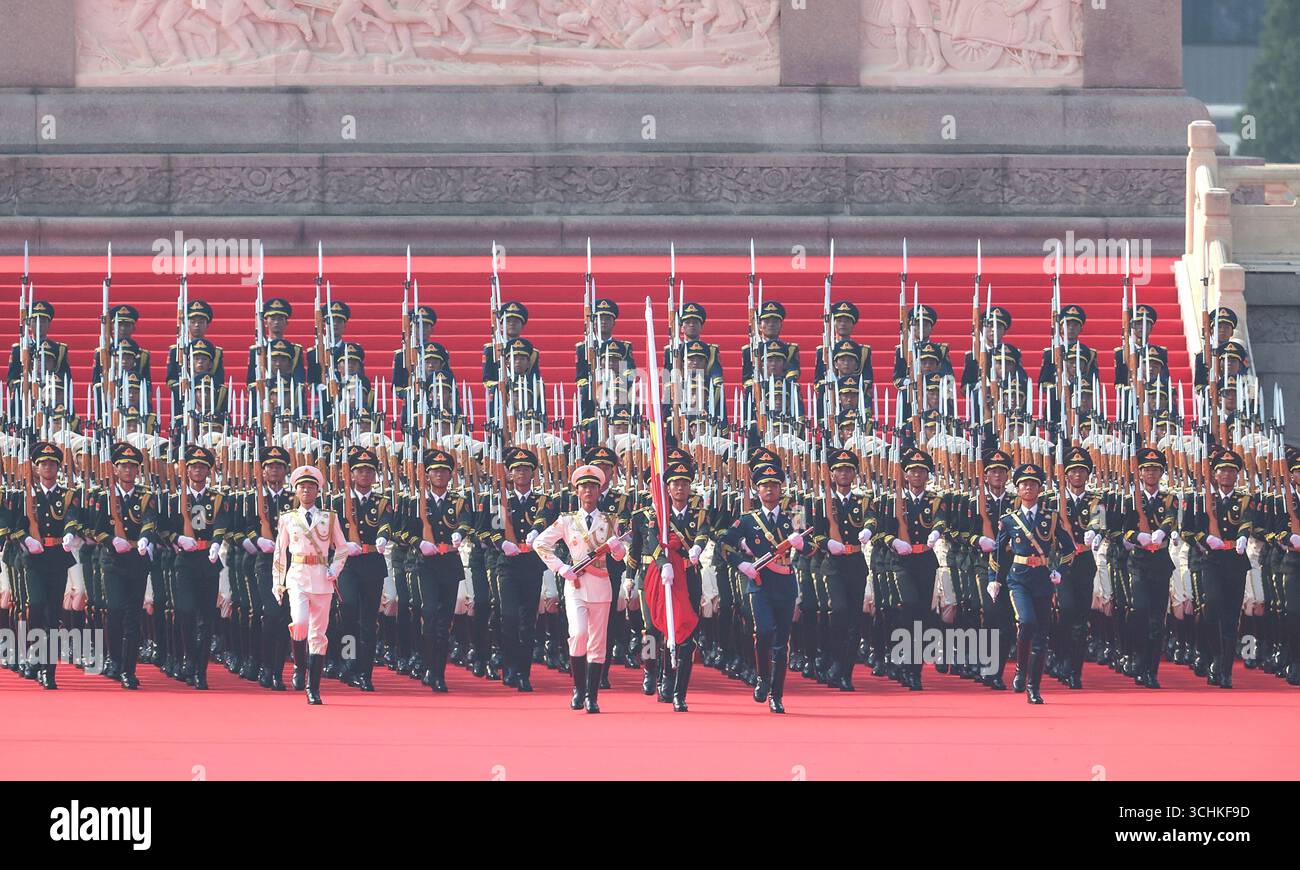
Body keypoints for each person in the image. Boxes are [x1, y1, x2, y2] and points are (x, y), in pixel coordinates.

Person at [534, 464, 627, 713]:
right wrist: (560, 567)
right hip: (575, 585)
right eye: (584, 487)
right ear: (577, 491)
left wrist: (617, 548)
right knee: (578, 635)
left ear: (599, 491)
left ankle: (591, 696)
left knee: (598, 643)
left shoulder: (610, 521)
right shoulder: (567, 521)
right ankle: (578, 688)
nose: (588, 490)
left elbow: (620, 557)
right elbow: (540, 544)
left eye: (593, 486)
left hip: (601, 585)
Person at [723, 462, 815, 714]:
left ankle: (777, 694)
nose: (770, 490)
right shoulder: (747, 520)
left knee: (782, 641)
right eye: (764, 486)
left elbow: (813, 547)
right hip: (760, 583)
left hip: (785, 583)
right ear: (757, 490)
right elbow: (724, 544)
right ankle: (763, 677)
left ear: (780, 488)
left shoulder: (794, 514)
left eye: (774, 485)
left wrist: (801, 545)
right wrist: (741, 564)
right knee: (763, 632)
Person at [988, 463, 1075, 705]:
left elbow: (1068, 548)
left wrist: (1061, 570)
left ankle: (1033, 687)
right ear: (1017, 489)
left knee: (1041, 636)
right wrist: (993, 580)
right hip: (1018, 578)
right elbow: (996, 552)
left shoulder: (1051, 517)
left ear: (1039, 489)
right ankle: (1020, 667)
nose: (1028, 488)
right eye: (1024, 484)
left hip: (1042, 579)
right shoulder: (1009, 520)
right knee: (1026, 622)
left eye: (1033, 484)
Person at [272, 465, 349, 705]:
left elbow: (342, 548)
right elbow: (279, 552)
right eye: (302, 487)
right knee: (301, 623)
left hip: (322, 579)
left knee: (319, 635)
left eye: (311, 486)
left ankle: (313, 688)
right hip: (297, 577)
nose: (306, 490)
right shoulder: (287, 519)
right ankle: (298, 664)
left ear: (317, 490)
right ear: (295, 491)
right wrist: (278, 582)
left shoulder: (329, 517)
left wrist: (334, 569)